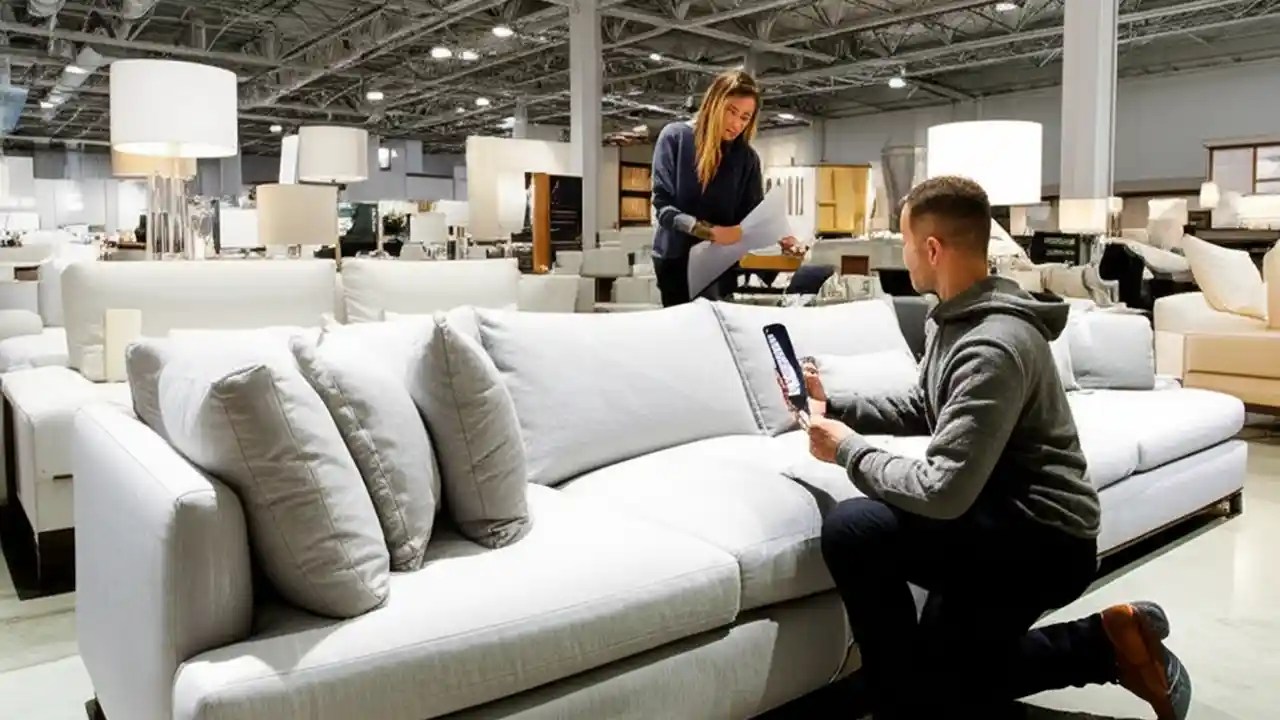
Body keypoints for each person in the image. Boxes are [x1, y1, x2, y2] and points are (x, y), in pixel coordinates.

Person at [800, 176, 1191, 719]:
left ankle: (907, 693)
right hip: (994, 516)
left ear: (932, 249)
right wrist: (836, 403)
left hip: (1041, 539)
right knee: (936, 672)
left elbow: (942, 493)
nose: (903, 251)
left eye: (905, 239)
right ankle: (1108, 643)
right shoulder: (954, 319)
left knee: (857, 530)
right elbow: (925, 406)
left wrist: (847, 450)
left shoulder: (992, 344)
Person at [650, 69, 797, 307]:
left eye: (745, 117)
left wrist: (783, 238)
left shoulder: (747, 158)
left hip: (722, 261)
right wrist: (709, 232)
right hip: (676, 260)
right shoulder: (675, 137)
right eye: (731, 111)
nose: (736, 123)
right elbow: (664, 208)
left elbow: (753, 216)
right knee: (685, 334)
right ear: (714, 104)